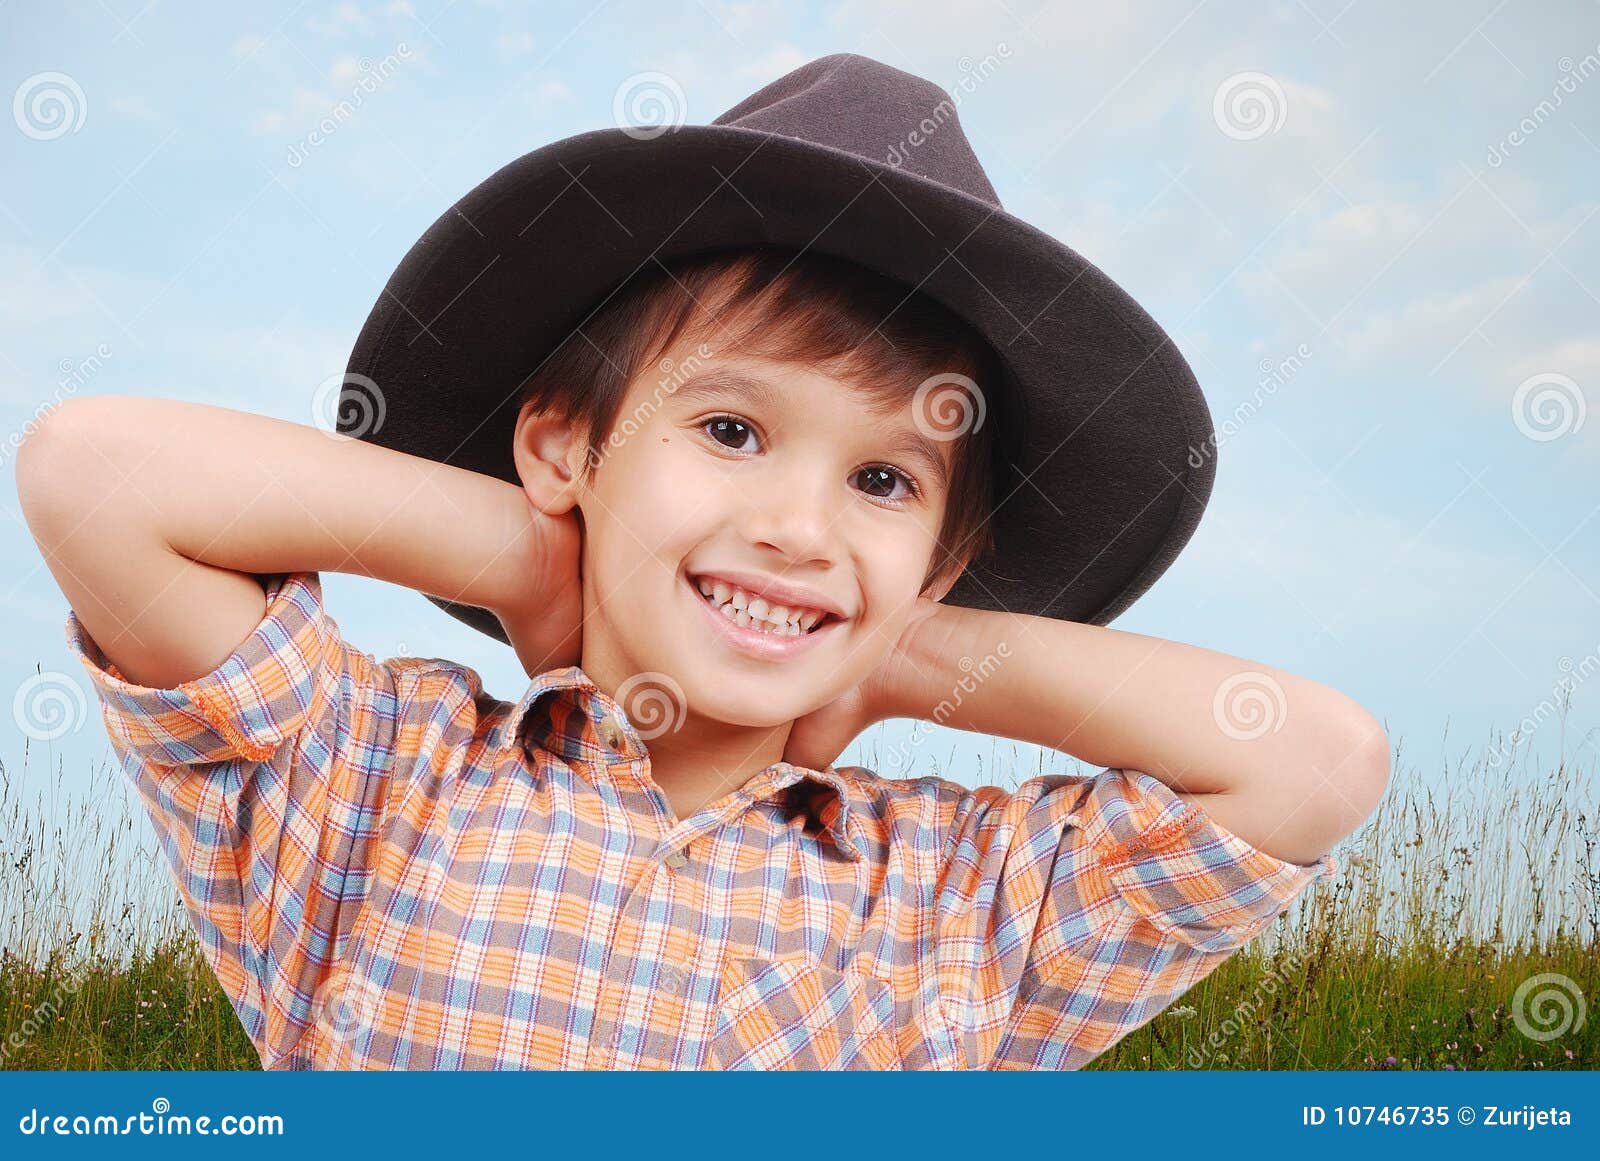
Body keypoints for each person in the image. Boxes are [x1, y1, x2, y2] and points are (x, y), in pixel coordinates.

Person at [16, 53, 1385, 1070]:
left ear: (942, 553)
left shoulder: (955, 903)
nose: (802, 525)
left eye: (884, 481)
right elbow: (94, 469)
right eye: (732, 429)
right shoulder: (366, 776)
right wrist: (530, 554)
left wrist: (909, 651)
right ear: (563, 446)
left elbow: (1315, 760)